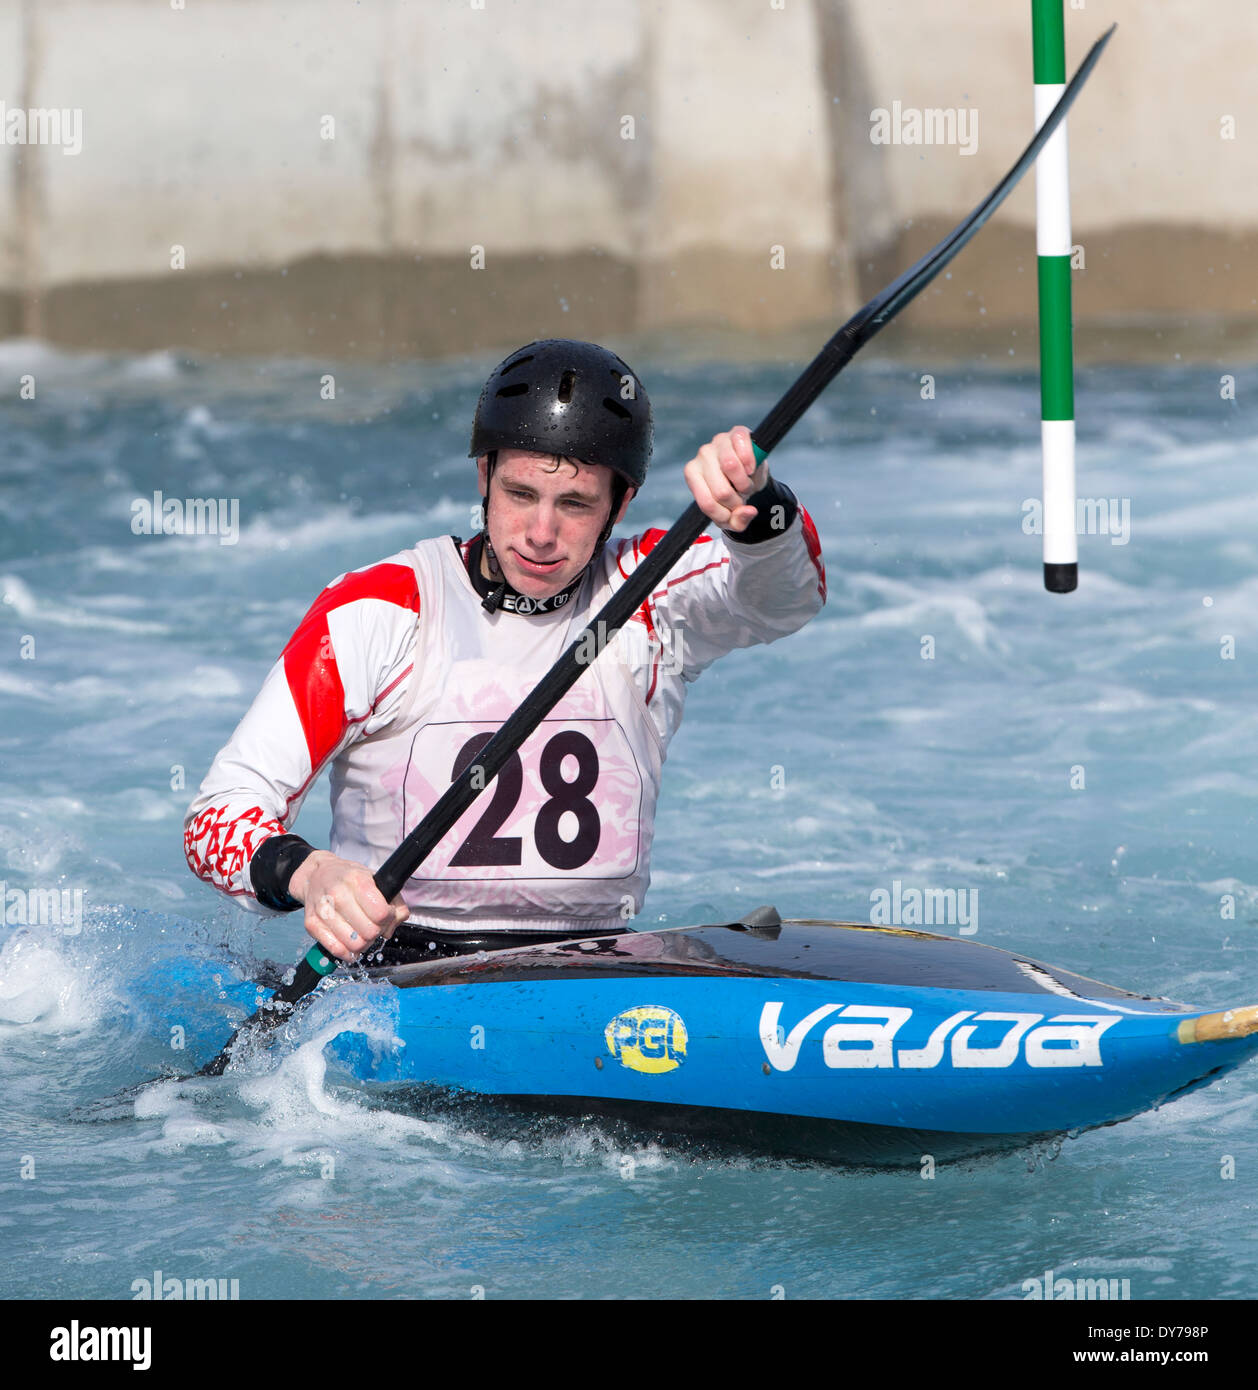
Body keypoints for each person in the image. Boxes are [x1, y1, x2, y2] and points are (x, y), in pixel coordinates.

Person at [183, 339, 826, 965]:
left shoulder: (648, 590)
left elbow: (783, 598)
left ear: (620, 504)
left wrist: (758, 504)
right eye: (520, 494)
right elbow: (218, 814)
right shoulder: (379, 610)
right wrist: (309, 872)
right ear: (485, 475)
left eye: (575, 504)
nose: (542, 534)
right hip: (398, 976)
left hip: (597, 967)